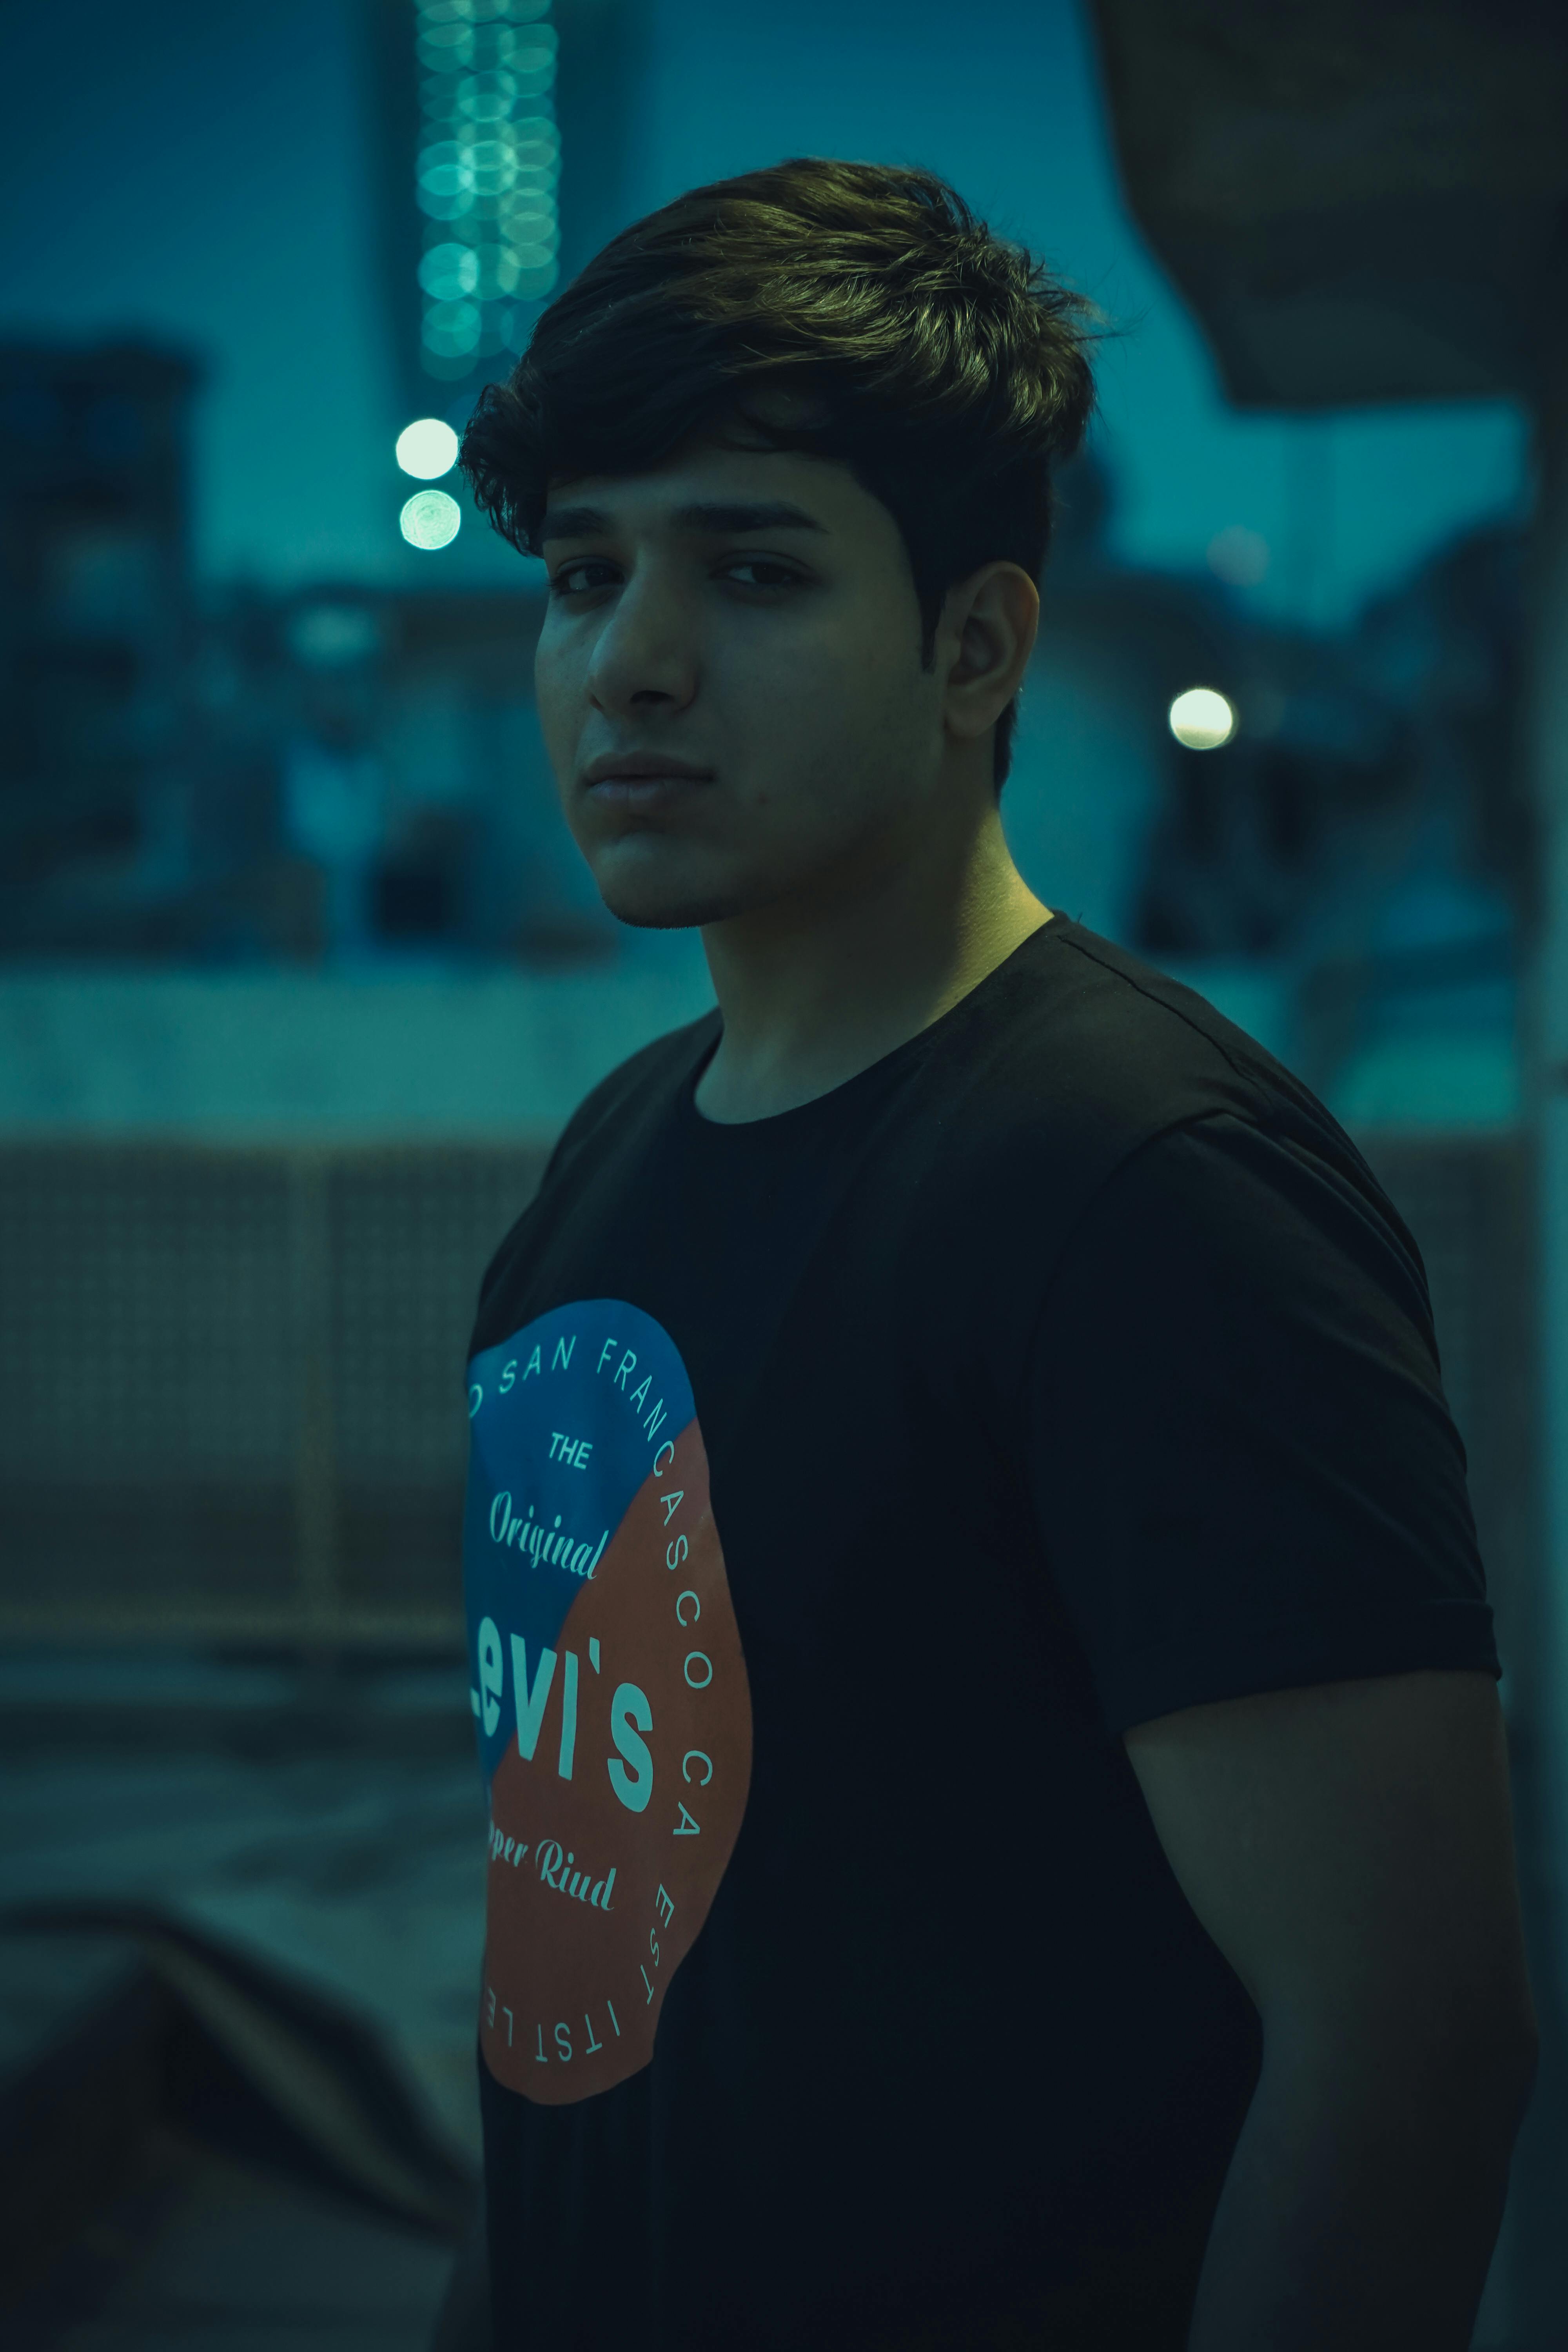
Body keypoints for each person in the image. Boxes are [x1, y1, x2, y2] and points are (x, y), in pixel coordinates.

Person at [447, 158, 1537, 2350]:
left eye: (753, 571)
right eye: (583, 575)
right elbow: (588, 1917)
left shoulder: (1149, 1192)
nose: (629, 662)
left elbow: (1407, 2045)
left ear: (978, 646)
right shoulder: (610, 1163)